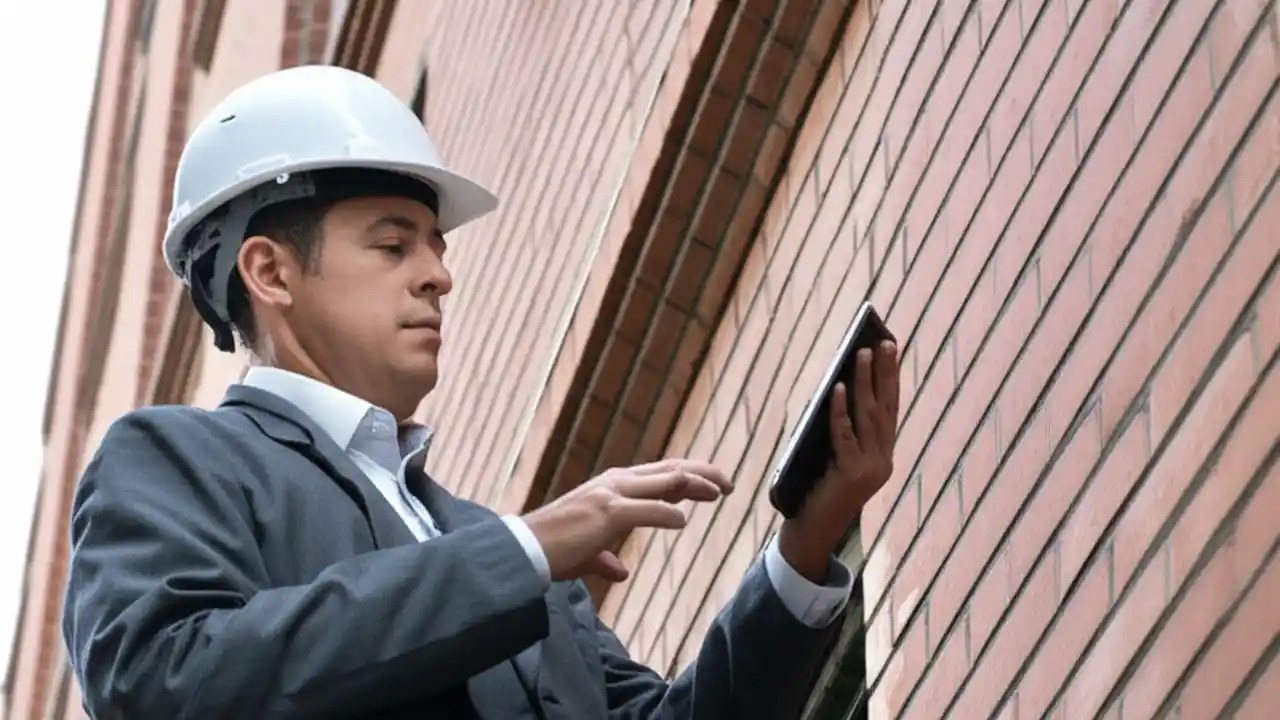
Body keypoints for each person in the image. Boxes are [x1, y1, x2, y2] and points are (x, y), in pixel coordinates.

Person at [61, 65, 901, 719]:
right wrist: (527, 550)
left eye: (435, 246)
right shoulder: (174, 459)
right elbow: (159, 682)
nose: (439, 276)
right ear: (271, 271)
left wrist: (805, 548)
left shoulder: (485, 541)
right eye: (393, 246)